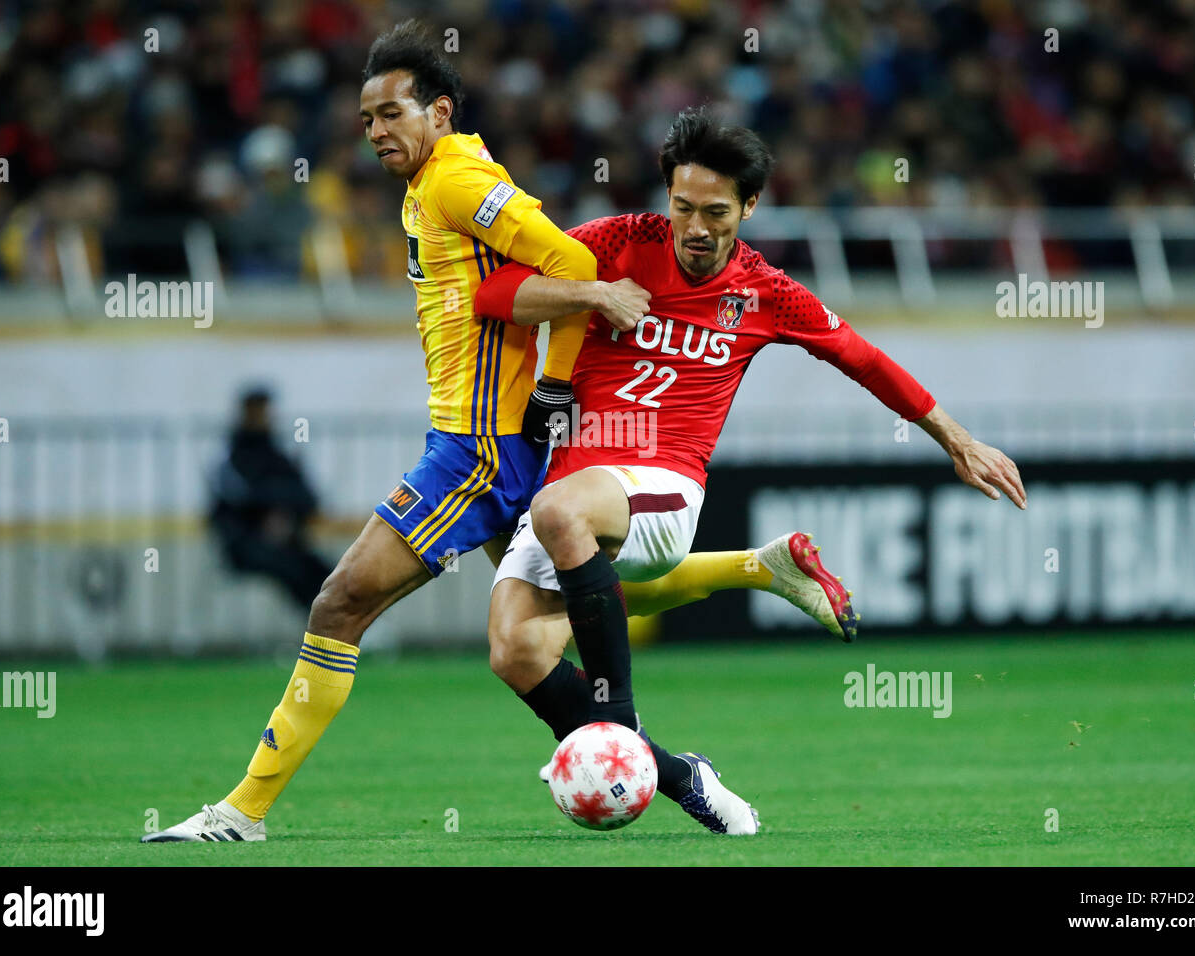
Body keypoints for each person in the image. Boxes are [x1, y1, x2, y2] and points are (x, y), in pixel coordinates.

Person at [144, 25, 847, 843]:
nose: (375, 130)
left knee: (340, 602)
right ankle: (688, 759)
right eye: (366, 117)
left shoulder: (459, 179)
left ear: (438, 111)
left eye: (392, 112)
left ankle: (242, 813)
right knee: (532, 642)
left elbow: (571, 265)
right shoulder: (431, 183)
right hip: (487, 442)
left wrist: (555, 380)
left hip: (478, 448)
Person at [477, 107, 1028, 833]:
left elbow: (862, 359)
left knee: (556, 513)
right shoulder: (611, 245)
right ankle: (681, 777)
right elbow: (491, 295)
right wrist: (589, 294)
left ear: (749, 207)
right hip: (581, 487)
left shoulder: (766, 292)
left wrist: (956, 440)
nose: (695, 227)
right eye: (682, 208)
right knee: (514, 652)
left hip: (664, 489)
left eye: (714, 211)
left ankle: (617, 724)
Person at [208, 386, 332, 609]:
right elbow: (237, 498)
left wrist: (283, 514)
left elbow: (308, 496)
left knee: (326, 572)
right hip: (245, 543)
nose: (263, 417)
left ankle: (341, 627)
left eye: (265, 410)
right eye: (257, 411)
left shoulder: (278, 452)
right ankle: (322, 627)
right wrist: (271, 513)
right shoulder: (230, 457)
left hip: (286, 541)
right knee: (293, 568)